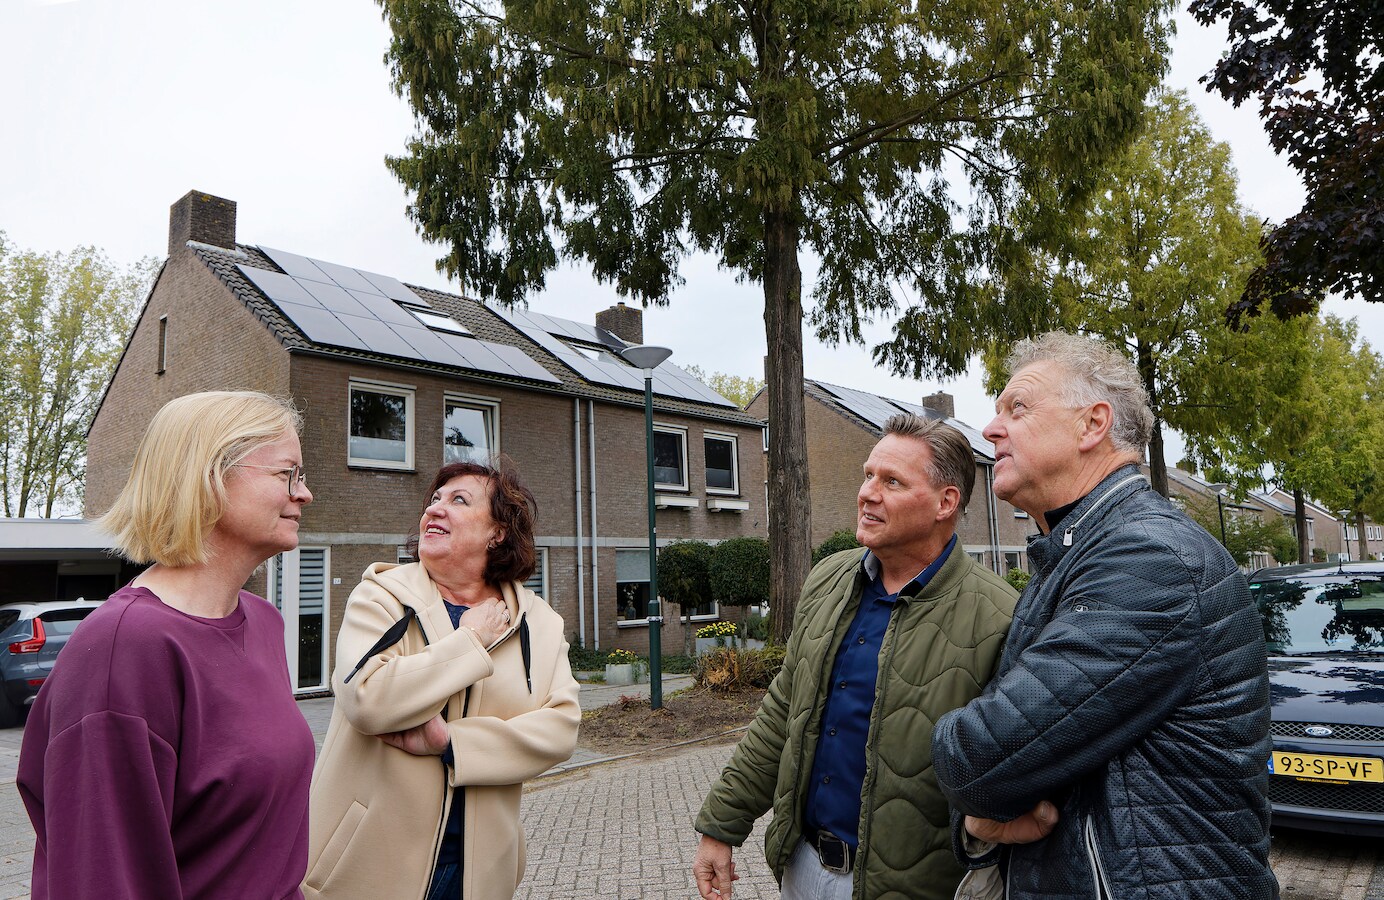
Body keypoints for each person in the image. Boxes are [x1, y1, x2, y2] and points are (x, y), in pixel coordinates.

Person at [932, 332, 1277, 899]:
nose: (991, 429)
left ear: (1093, 425)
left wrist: (975, 791)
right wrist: (977, 818)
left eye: (1017, 407)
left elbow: (980, 756)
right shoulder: (1074, 557)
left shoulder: (1148, 559)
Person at [693, 415, 1019, 900]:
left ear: (945, 502)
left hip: (913, 888)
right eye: (868, 475)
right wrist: (721, 825)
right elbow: (782, 711)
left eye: (891, 481)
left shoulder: (1000, 616)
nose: (867, 493)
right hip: (802, 869)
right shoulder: (828, 579)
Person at [18, 390, 317, 898]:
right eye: (286, 473)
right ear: (207, 478)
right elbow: (103, 878)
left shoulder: (264, 622)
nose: (304, 494)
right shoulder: (125, 649)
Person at [306, 459, 580, 900]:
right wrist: (470, 641)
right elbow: (365, 695)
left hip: (475, 873)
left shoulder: (539, 623)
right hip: (365, 869)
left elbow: (561, 727)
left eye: (459, 500)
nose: (435, 509)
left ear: (498, 532)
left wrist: (451, 743)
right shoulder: (382, 594)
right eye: (434, 499)